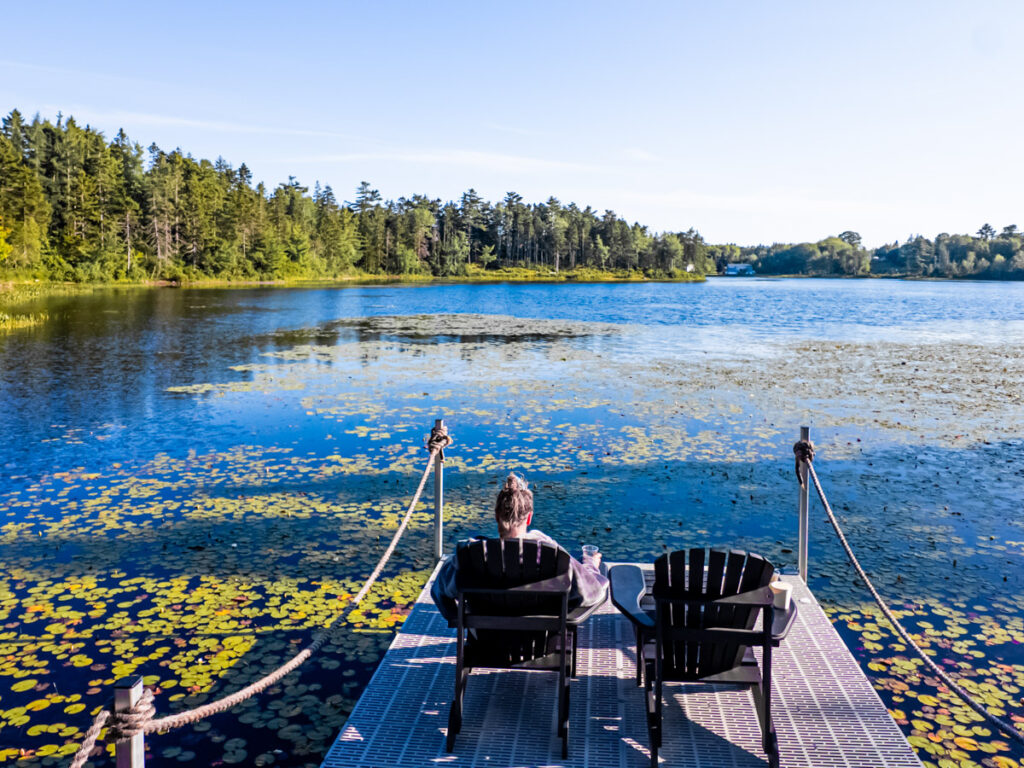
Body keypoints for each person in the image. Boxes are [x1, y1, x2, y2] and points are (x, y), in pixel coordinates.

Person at [431, 473, 608, 621]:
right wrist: (590, 564)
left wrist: (459, 619)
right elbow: (594, 593)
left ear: (496, 515)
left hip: (484, 641)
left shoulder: (469, 555)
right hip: (541, 643)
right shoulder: (553, 556)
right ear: (529, 517)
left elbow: (439, 592)